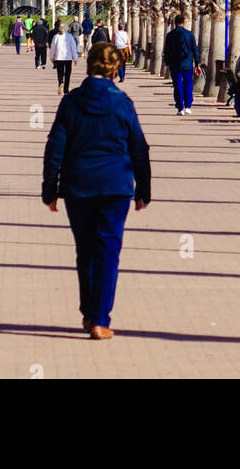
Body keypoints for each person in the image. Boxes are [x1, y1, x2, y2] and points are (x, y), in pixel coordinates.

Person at [42, 41, 151, 339]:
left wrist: (49, 189)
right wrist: (144, 189)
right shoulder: (123, 103)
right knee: (108, 252)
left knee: (85, 251)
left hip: (78, 188)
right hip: (115, 188)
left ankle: (89, 314)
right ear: (115, 69)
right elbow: (139, 149)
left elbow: (55, 147)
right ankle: (100, 318)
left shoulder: (71, 102)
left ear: (88, 64)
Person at [163, 12, 200, 116]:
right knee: (188, 84)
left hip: (175, 64)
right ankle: (188, 106)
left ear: (175, 23)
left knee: (177, 85)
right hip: (187, 63)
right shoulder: (190, 34)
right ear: (184, 22)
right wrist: (197, 64)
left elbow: (167, 51)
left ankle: (180, 107)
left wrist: (167, 62)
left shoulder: (170, 35)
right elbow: (195, 50)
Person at [51, 20, 79, 94]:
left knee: (60, 73)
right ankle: (66, 89)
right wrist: (75, 58)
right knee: (67, 74)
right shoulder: (69, 37)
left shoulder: (56, 37)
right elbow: (73, 48)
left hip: (58, 57)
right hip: (68, 58)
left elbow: (53, 48)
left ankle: (60, 83)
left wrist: (52, 57)